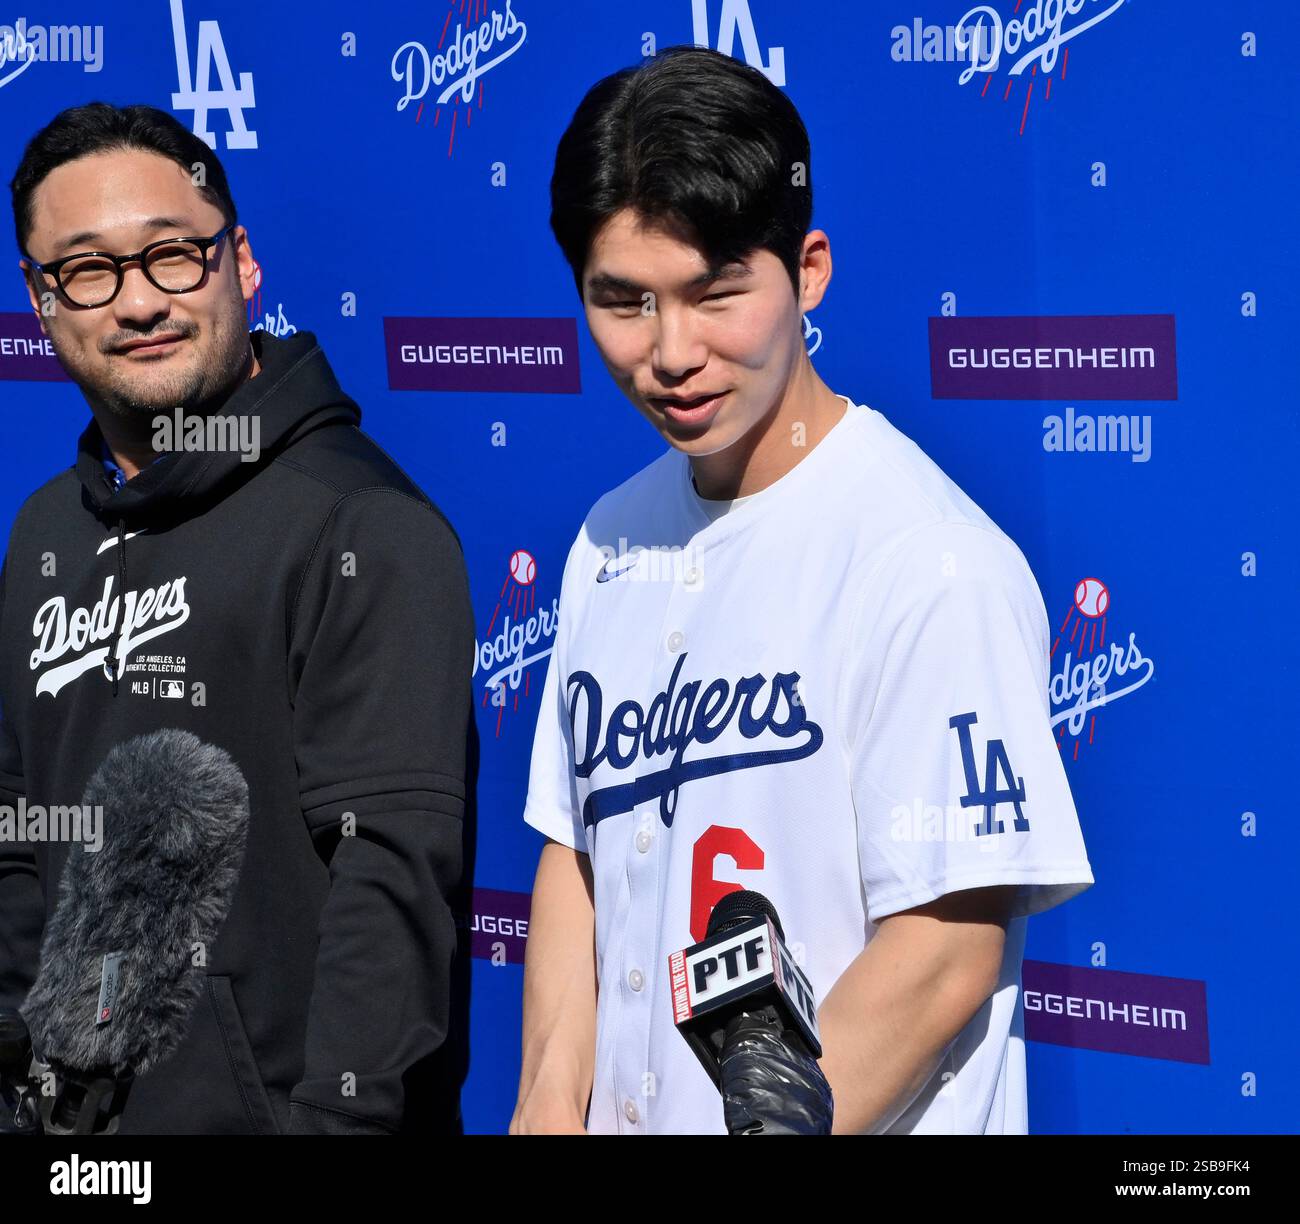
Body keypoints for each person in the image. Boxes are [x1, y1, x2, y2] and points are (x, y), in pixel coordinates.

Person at [511, 46, 1094, 1135]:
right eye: (621, 301)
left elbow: (944, 951)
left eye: (714, 293)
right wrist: (547, 1096)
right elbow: (575, 850)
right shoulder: (607, 538)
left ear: (808, 270)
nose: (669, 351)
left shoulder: (926, 556)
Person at [0, 102, 476, 1134]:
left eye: (173, 254)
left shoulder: (362, 527)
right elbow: (19, 848)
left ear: (240, 263)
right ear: (41, 303)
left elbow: (390, 895)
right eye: (88, 272)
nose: (139, 302)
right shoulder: (45, 529)